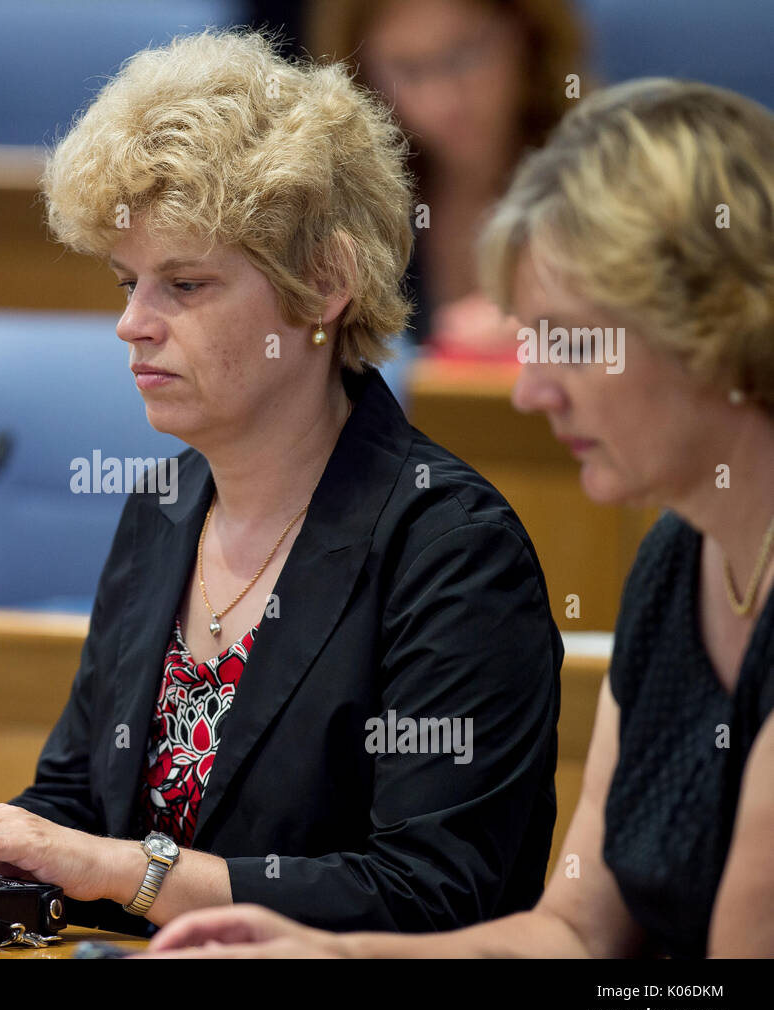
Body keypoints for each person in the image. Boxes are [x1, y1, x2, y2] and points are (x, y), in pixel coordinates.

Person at [0, 29, 562, 935]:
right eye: (127, 282)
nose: (131, 325)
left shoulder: (451, 549)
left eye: (185, 285)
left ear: (324, 285)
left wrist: (126, 870)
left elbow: (430, 893)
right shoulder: (163, 507)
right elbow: (78, 810)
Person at [147, 78, 774, 958]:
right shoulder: (679, 558)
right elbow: (575, 935)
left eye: (573, 340)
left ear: (715, 324)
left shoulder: (463, 541)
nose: (530, 387)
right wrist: (328, 952)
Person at [309, 0, 586, 352]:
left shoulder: (607, 174)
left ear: (527, 34)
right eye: (408, 69)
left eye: (464, 55)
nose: (443, 101)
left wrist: (570, 328)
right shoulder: (356, 200)